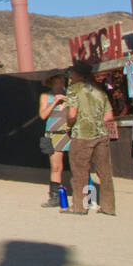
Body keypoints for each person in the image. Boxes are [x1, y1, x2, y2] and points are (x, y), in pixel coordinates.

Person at [63, 61, 116, 216]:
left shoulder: (74, 89)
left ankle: (80, 206)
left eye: (72, 73)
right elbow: (109, 116)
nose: (70, 76)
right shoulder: (100, 90)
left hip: (82, 134)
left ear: (77, 74)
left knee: (80, 172)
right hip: (101, 134)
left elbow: (72, 114)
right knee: (105, 172)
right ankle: (109, 207)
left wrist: (69, 125)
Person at [38, 72, 73, 208]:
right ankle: (55, 196)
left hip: (69, 133)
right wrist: (54, 102)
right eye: (58, 81)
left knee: (77, 165)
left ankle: (85, 195)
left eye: (62, 80)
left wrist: (67, 100)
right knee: (56, 166)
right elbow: (43, 115)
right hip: (53, 134)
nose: (61, 83)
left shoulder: (71, 95)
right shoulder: (46, 96)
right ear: (52, 82)